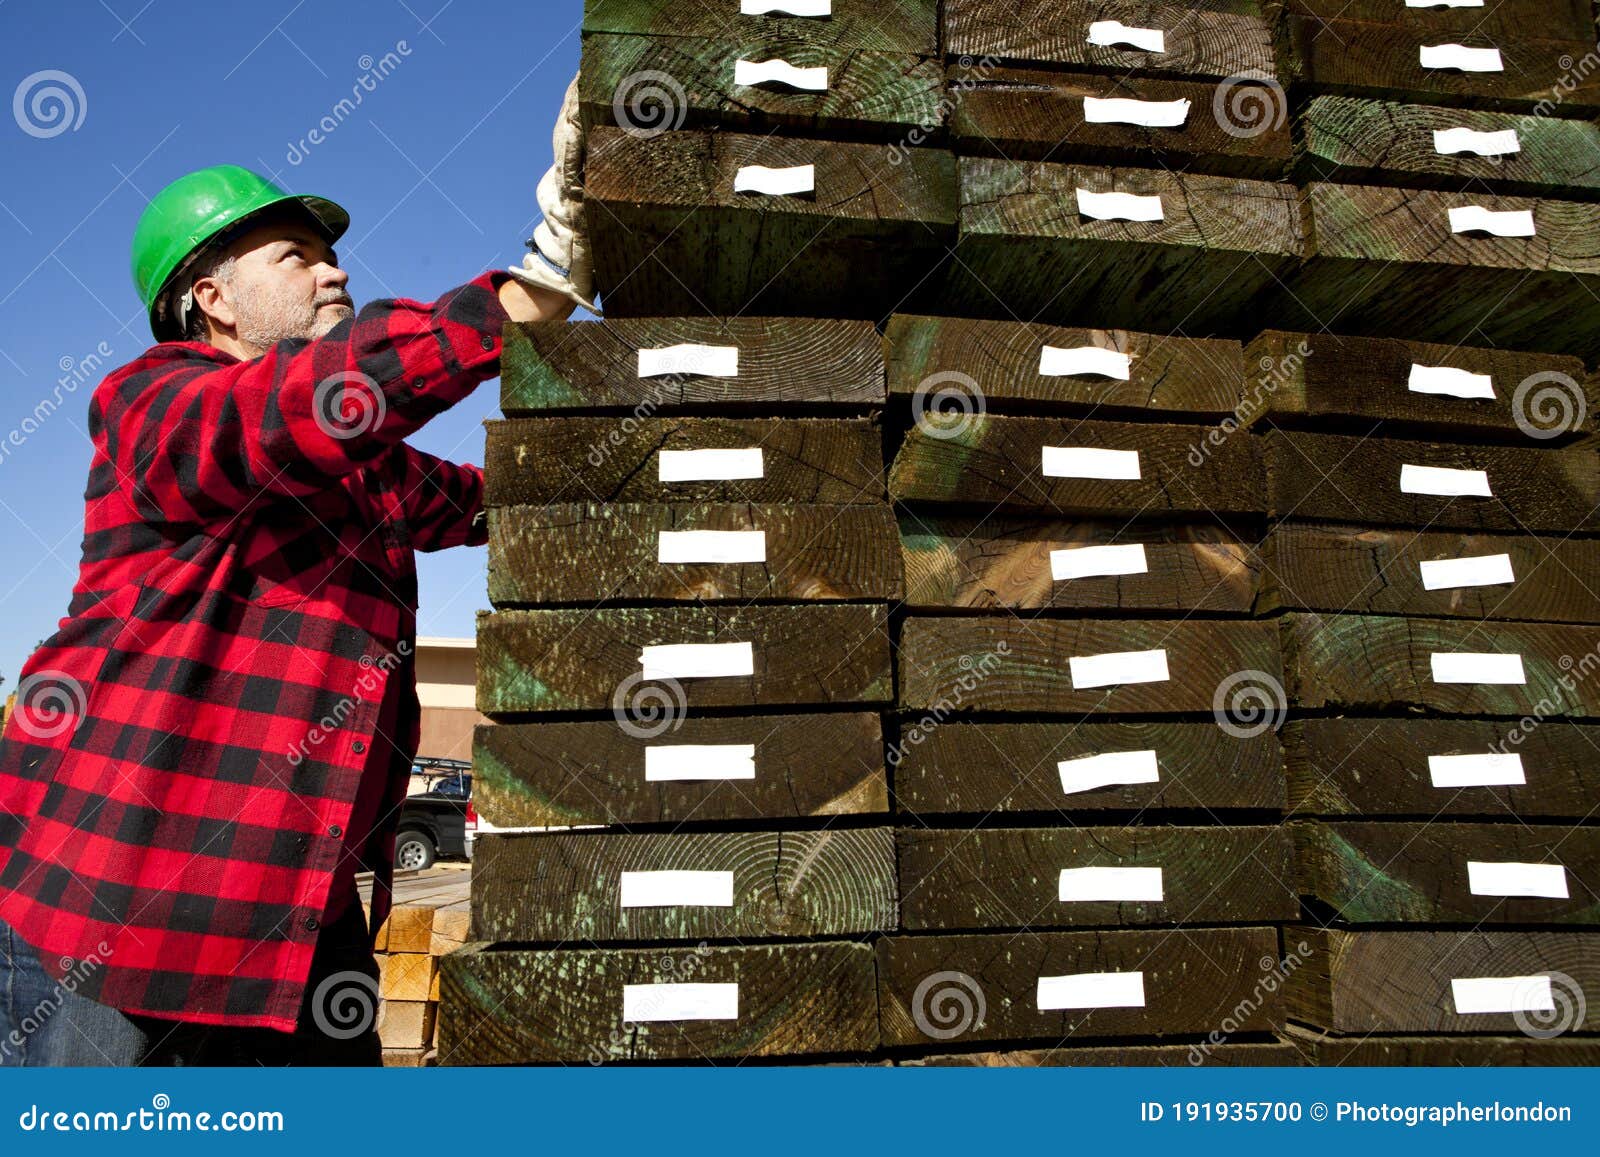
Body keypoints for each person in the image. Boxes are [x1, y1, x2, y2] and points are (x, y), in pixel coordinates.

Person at [0, 76, 594, 1067]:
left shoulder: (360, 469)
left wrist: (662, 445)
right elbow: (304, 406)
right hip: (128, 916)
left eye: (332, 255)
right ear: (210, 297)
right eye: (298, 256)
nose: (333, 272)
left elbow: (484, 497)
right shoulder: (153, 409)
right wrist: (532, 287)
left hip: (305, 920)